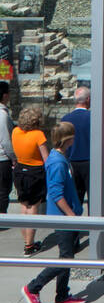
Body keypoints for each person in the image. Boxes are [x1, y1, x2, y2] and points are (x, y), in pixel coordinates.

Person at [21, 123, 88, 303]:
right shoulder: (58, 163)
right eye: (73, 136)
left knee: (68, 256)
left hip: (65, 217)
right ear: (67, 139)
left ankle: (62, 295)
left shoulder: (59, 158)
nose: (75, 139)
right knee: (66, 258)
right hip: (63, 218)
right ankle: (33, 287)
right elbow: (57, 194)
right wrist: (71, 215)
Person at [12, 104, 49, 255]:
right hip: (35, 171)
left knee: (24, 206)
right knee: (33, 207)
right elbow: (46, 157)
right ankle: (29, 244)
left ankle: (26, 242)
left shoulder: (15, 131)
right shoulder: (38, 135)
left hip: (20, 170)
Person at [61, 87, 91, 208]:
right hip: (91, 162)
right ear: (88, 99)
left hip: (71, 162)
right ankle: (95, 225)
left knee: (74, 199)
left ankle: (75, 224)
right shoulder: (94, 118)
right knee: (94, 200)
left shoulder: (65, 119)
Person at [0, 81, 14, 215]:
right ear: (4, 96)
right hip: (2, 159)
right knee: (3, 190)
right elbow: (6, 141)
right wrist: (14, 158)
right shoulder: (3, 115)